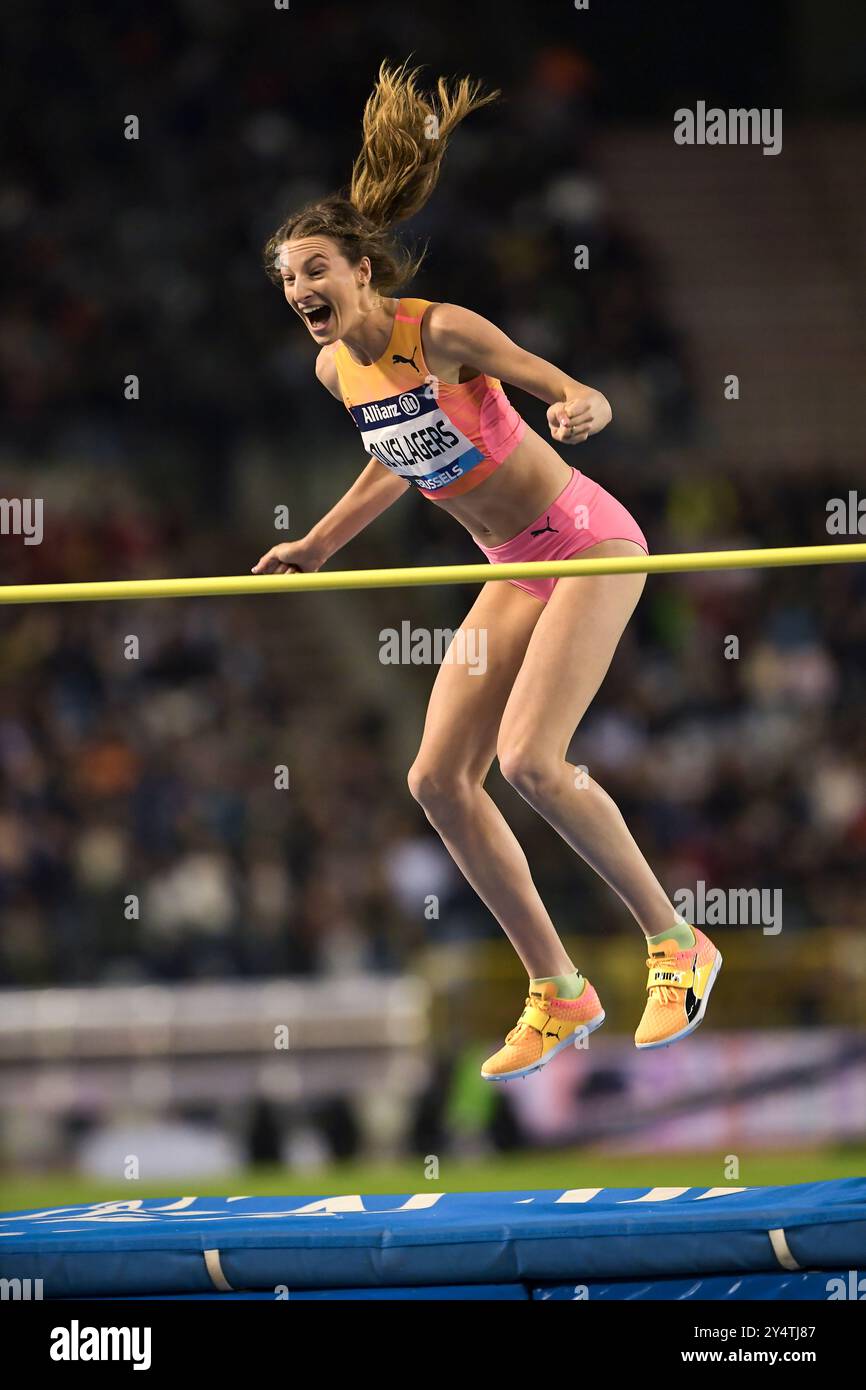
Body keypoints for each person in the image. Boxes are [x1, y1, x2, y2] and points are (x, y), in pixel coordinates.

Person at [253, 60, 721, 1080]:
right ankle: (557, 987)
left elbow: (560, 384)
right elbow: (393, 451)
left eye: (315, 271)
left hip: (588, 539)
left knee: (530, 764)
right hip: (510, 562)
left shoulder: (442, 331)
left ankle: (676, 941)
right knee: (436, 779)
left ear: (362, 272)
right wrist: (319, 543)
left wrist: (579, 406)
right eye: (287, 280)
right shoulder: (335, 369)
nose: (300, 292)